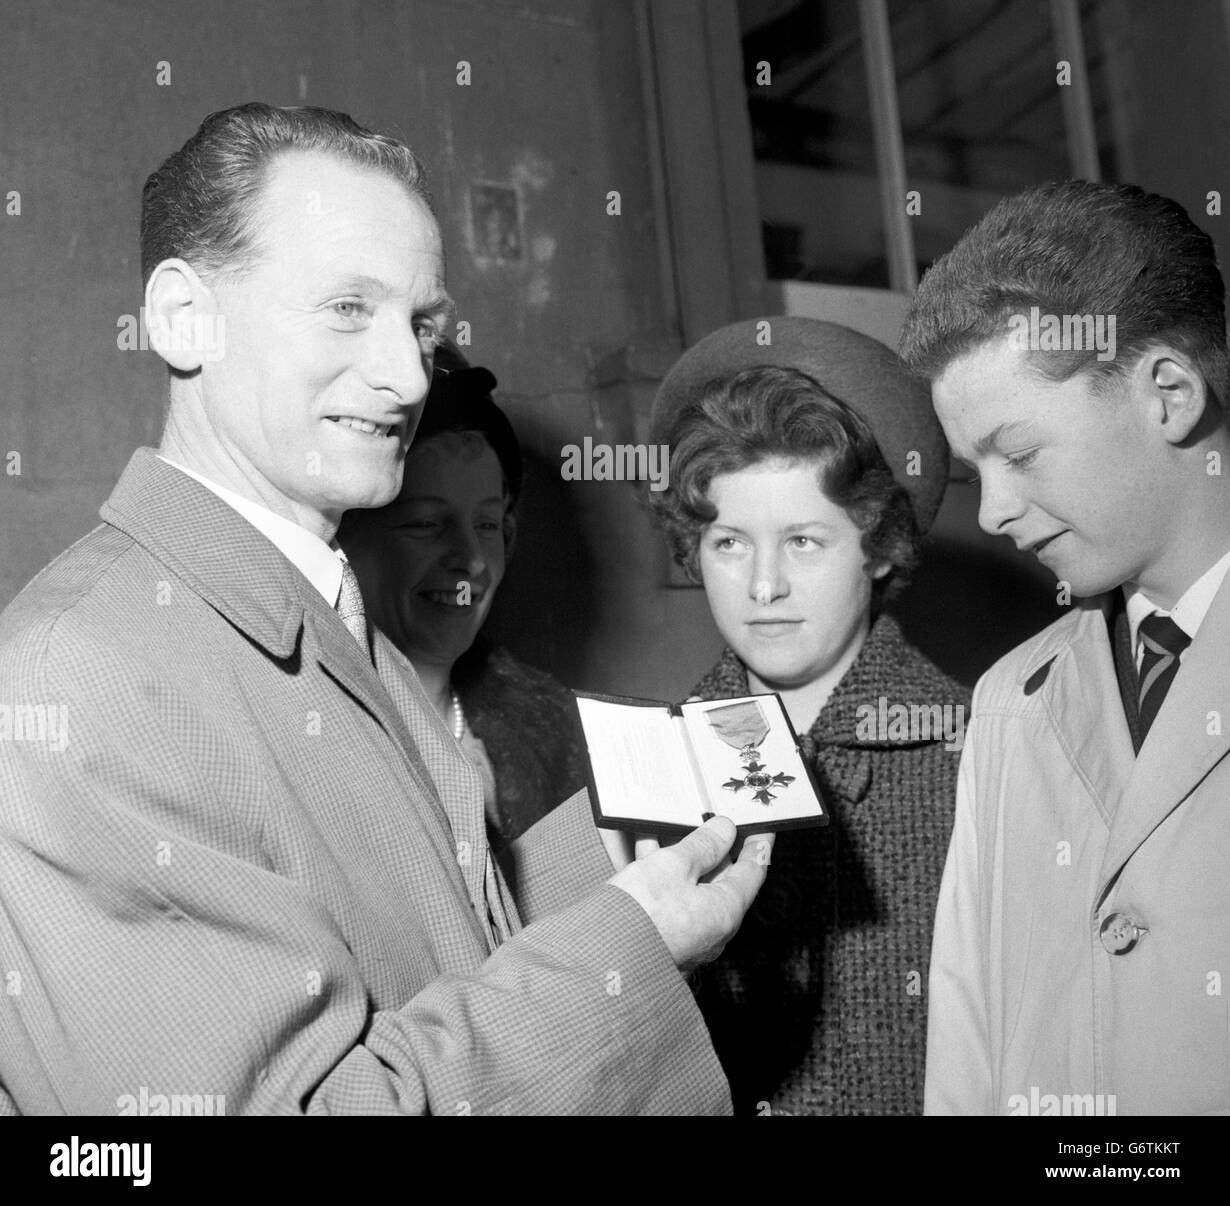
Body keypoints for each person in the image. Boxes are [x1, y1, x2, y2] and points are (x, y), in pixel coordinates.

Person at [0, 102, 771, 1116]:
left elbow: (429, 948)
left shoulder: (328, 609)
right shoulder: (78, 677)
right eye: (345, 310)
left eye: (419, 324)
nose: (409, 376)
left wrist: (616, 856)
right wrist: (633, 942)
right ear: (184, 317)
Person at [899, 179, 1230, 1116]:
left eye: (1022, 453)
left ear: (1168, 392)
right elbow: (966, 1035)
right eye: (977, 473)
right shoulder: (1012, 699)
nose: (994, 510)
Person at [648, 318, 969, 1115]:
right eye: (729, 543)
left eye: (803, 542)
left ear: (881, 545)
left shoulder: (983, 750)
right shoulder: (651, 763)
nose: (763, 586)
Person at [340, 344, 587, 846]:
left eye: (488, 524)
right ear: (345, 535)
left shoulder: (557, 729)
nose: (471, 560)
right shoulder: (308, 730)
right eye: (427, 523)